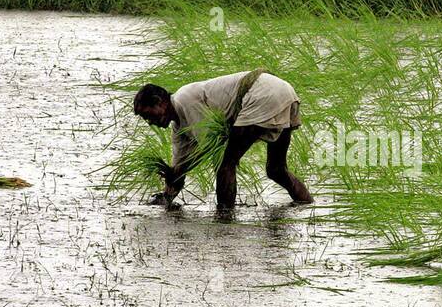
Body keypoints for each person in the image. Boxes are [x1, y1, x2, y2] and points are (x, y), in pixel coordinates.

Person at [133, 69, 313, 209]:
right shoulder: (180, 130)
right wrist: (166, 196)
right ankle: (308, 206)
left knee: (224, 162)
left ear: (159, 101)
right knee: (276, 169)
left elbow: (212, 149)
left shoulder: (183, 100)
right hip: (283, 92)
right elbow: (179, 170)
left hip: (263, 94)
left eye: (148, 115)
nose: (150, 123)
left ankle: (225, 218)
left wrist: (178, 171)